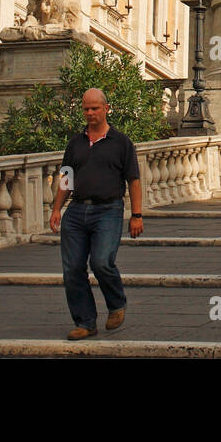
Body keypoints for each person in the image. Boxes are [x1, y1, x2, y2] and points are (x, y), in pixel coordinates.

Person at [49, 88, 143, 340]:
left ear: (105, 109)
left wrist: (137, 215)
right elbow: (66, 178)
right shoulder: (75, 143)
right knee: (72, 270)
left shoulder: (121, 142)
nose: (90, 113)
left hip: (108, 210)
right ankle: (85, 321)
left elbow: (133, 180)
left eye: (94, 108)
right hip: (77, 210)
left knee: (101, 262)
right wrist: (57, 208)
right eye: (86, 109)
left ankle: (116, 303)